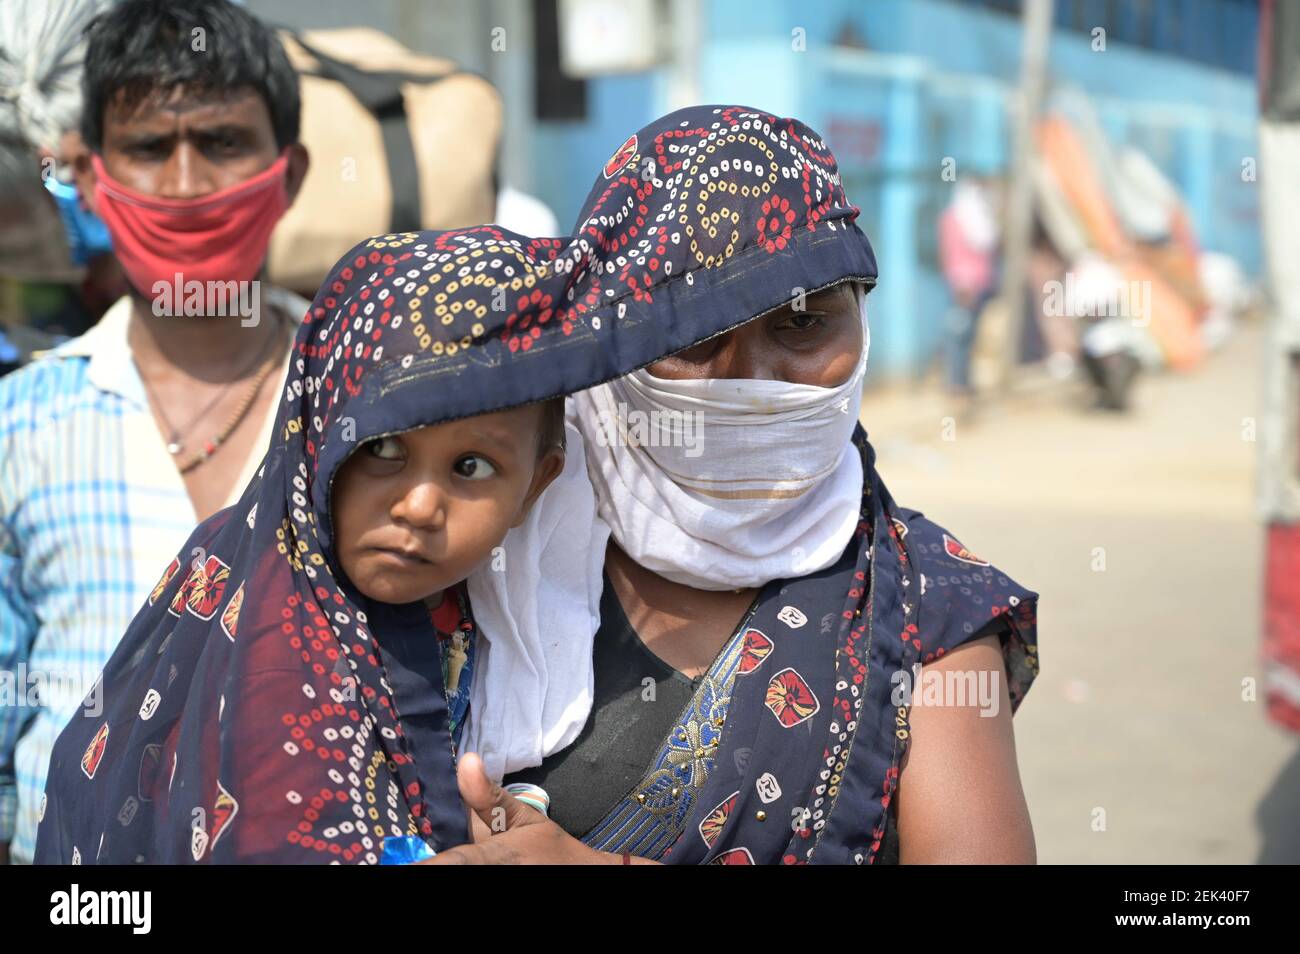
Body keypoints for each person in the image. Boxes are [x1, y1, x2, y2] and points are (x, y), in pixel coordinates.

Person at [441, 105, 1041, 865]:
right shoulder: (473, 542)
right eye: (692, 338)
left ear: (859, 320)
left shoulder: (928, 612)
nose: (748, 381)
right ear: (611, 339)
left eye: (802, 325)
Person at [31, 224, 619, 864]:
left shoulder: (494, 607)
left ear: (535, 486)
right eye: (383, 449)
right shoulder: (270, 632)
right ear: (317, 436)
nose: (420, 506)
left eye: (471, 467)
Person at [0, 0, 309, 864]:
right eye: (147, 148)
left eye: (221, 143)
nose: (183, 185)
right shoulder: (20, 424)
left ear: (290, 172)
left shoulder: (365, 403)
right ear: (93, 180)